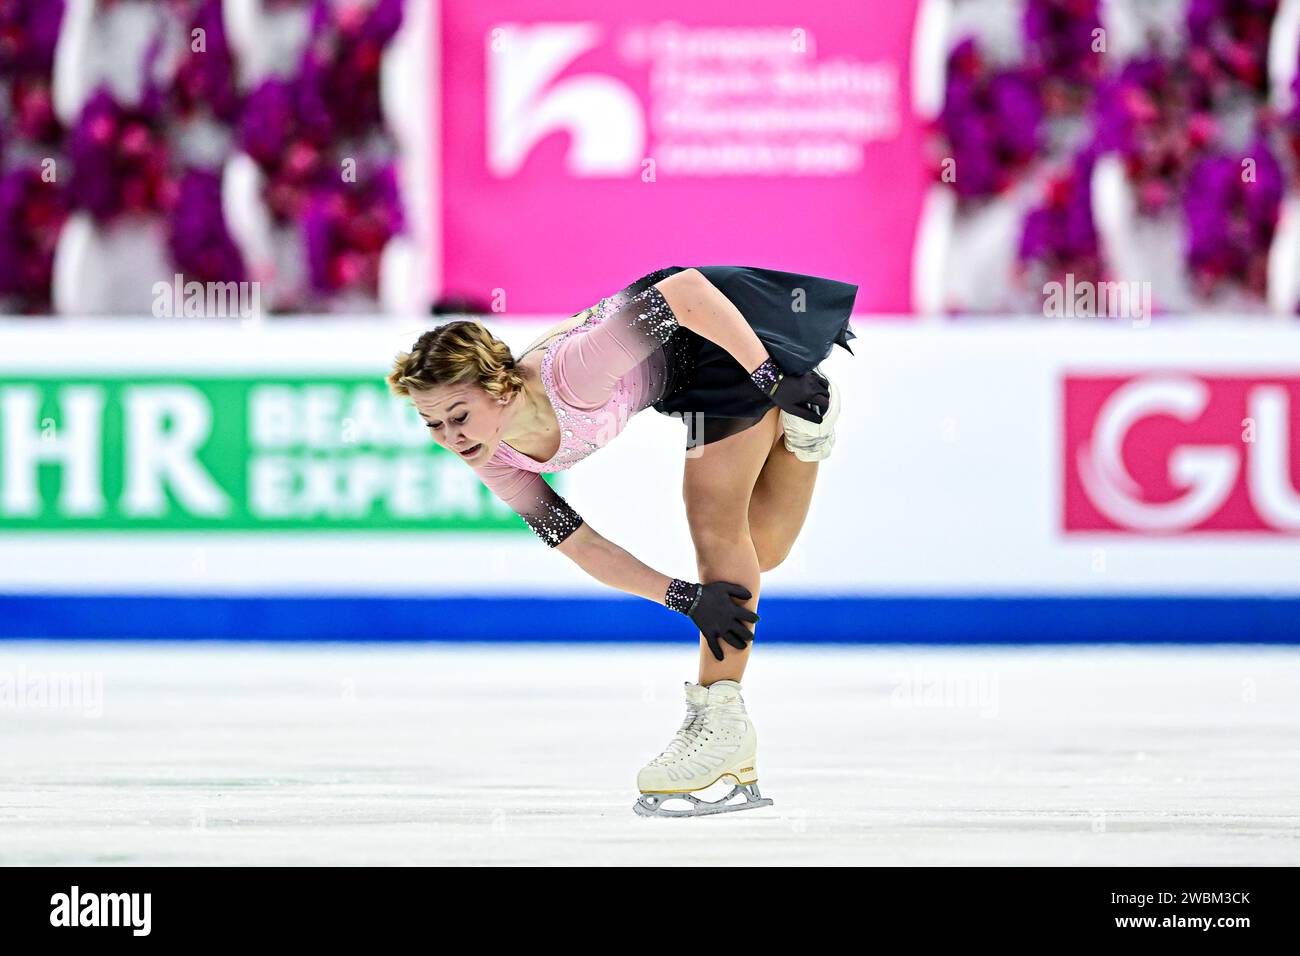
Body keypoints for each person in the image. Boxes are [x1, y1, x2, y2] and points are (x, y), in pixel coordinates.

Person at [387, 265, 858, 816]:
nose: (450, 437)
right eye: (432, 425)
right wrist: (681, 598)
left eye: (458, 416)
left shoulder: (574, 374)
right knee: (761, 552)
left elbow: (684, 290)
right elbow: (578, 543)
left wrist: (768, 378)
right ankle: (808, 423)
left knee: (715, 531)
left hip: (720, 333)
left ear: (498, 386)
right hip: (687, 379)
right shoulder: (493, 457)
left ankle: (721, 718)